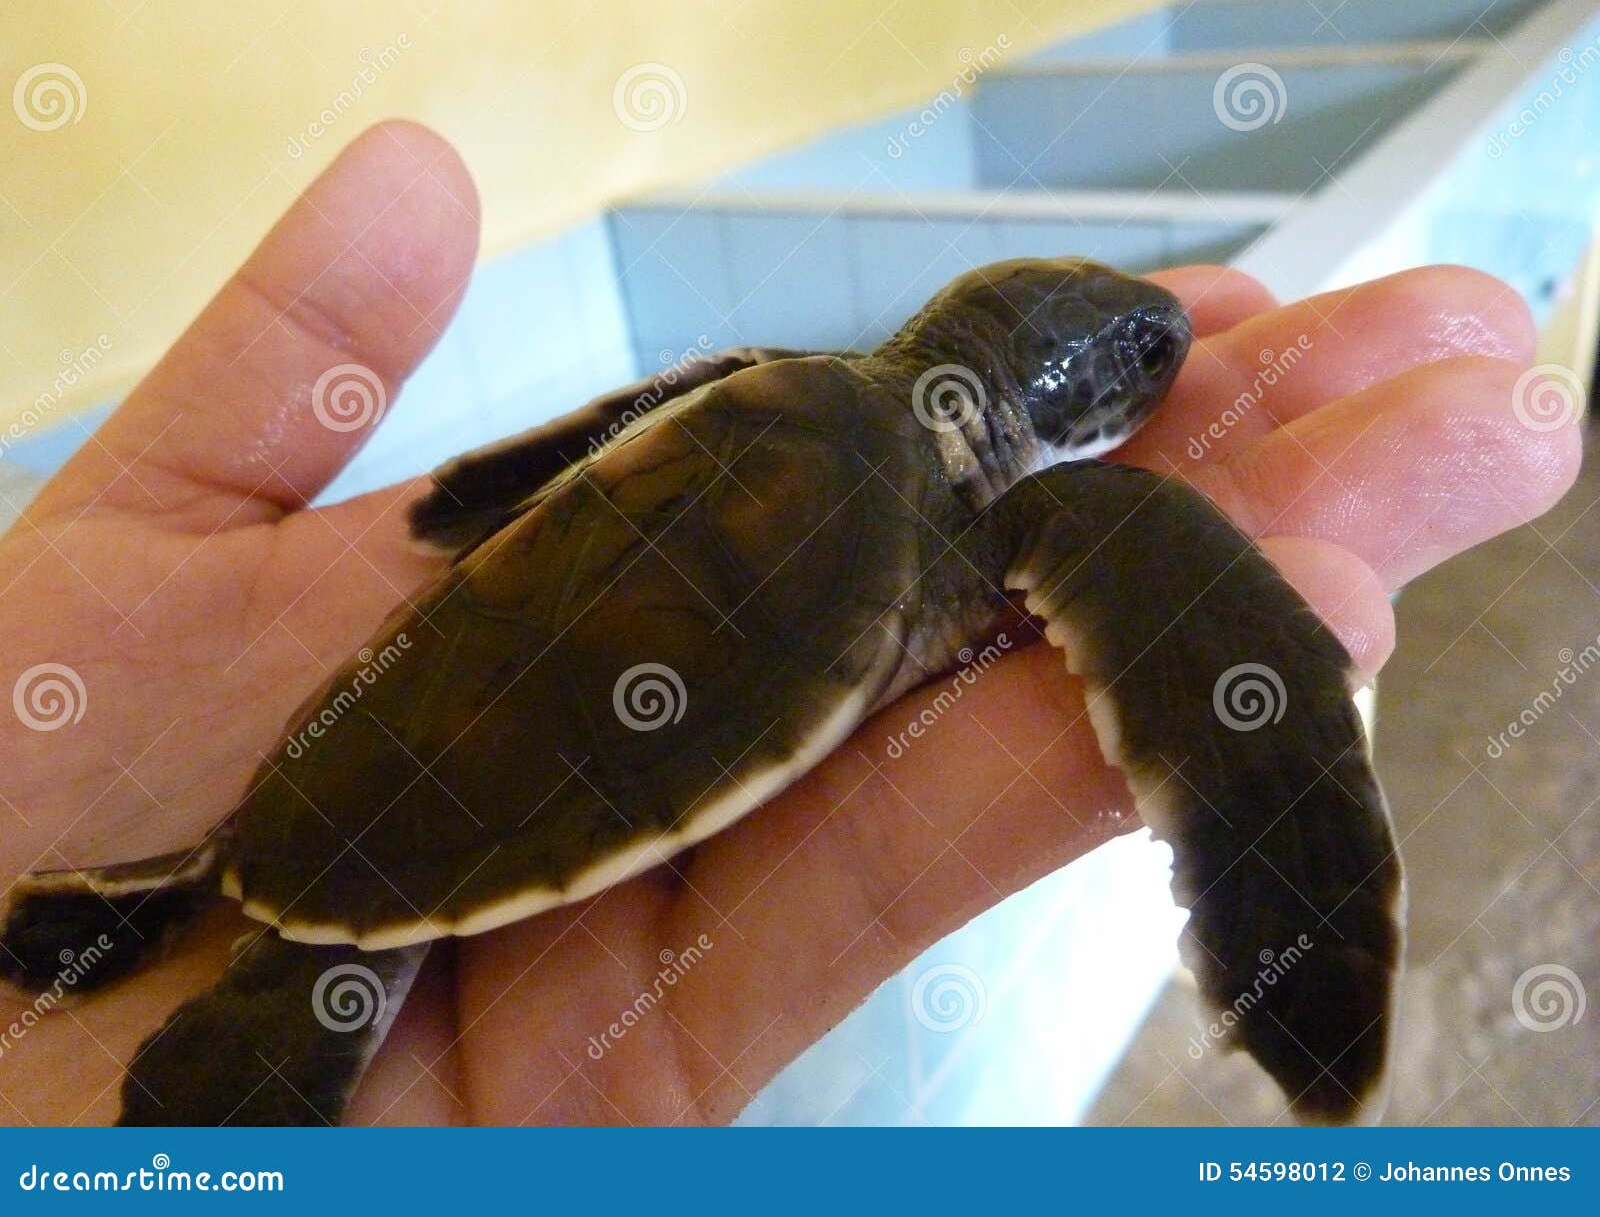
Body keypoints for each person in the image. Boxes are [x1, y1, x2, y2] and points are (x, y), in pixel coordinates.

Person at [0, 122, 1579, 1125]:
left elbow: (594, 455)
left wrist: (481, 495)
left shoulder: (784, 384)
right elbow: (1217, 646)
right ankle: (264, 983)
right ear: (1056, 418)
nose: (1148, 373)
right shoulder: (1037, 516)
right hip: (464, 822)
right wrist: (1288, 882)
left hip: (349, 753)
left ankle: (211, 879)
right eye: (1123, 369)